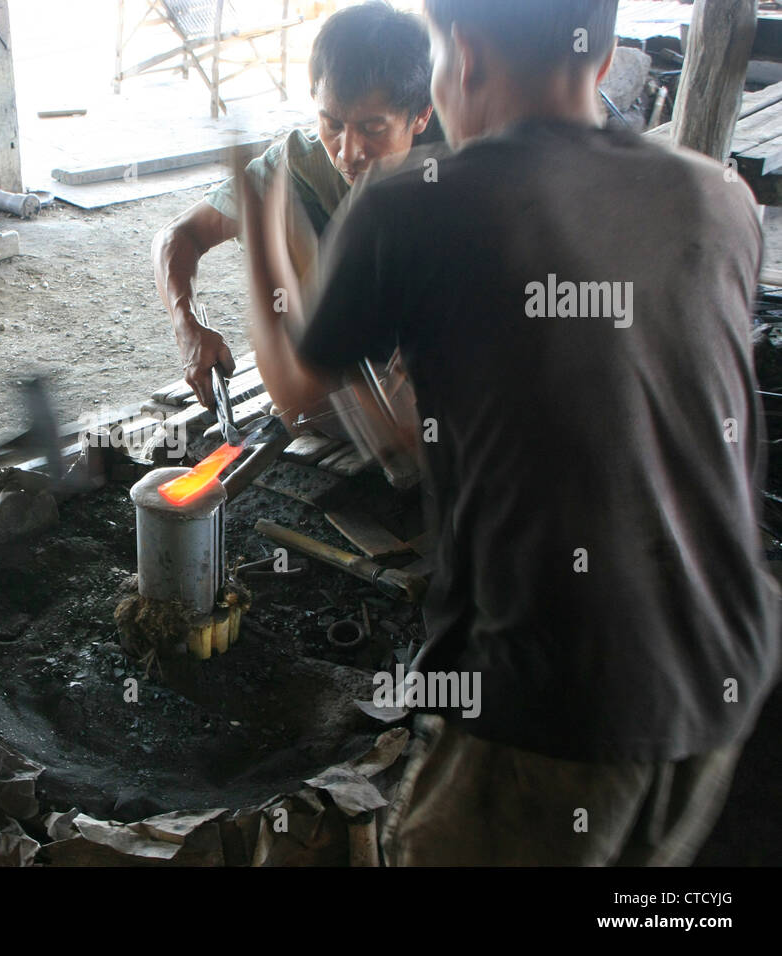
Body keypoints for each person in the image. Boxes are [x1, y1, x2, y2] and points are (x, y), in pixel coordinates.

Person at [242, 0, 781, 865]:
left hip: (562, 701)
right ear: (603, 60)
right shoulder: (722, 197)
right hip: (731, 673)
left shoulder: (411, 207)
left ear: (464, 61)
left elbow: (297, 388)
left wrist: (260, 212)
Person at [153, 1, 436, 410]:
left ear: (422, 116)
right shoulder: (297, 166)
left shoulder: (461, 161)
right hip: (351, 377)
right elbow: (178, 235)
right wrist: (187, 325)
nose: (348, 153)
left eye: (373, 129)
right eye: (333, 125)